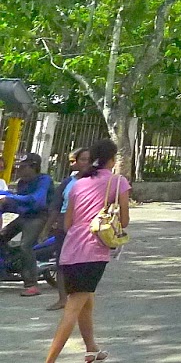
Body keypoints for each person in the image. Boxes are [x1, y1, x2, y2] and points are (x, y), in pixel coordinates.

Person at [45, 139, 127, 363]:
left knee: (86, 300)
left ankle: (92, 349)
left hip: (70, 248)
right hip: (93, 251)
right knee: (73, 308)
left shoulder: (78, 183)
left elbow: (67, 222)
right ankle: (49, 360)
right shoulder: (118, 182)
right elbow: (124, 221)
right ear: (112, 159)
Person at [0, 152, 54, 297]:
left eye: (23, 167)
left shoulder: (44, 180)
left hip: (40, 216)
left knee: (26, 246)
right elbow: (19, 203)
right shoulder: (21, 183)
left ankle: (32, 284)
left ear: (34, 167)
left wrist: (10, 197)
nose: (19, 170)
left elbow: (37, 200)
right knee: (2, 236)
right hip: (25, 216)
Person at [45, 150, 92, 313]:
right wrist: (47, 228)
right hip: (64, 225)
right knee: (62, 262)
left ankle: (81, 299)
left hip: (86, 226)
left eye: (89, 159)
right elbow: (56, 206)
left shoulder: (97, 181)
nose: (86, 163)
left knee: (84, 264)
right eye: (83, 159)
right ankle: (63, 299)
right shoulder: (68, 182)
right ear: (76, 162)